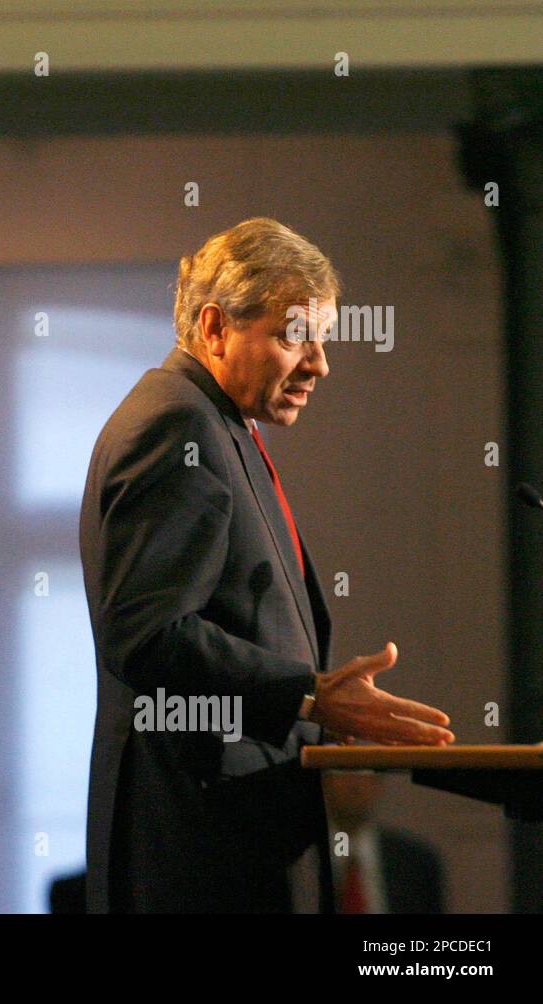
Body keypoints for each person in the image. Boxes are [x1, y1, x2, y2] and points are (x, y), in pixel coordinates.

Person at [79, 217, 454, 913]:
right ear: (217, 328)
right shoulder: (178, 425)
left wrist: (317, 704)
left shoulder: (216, 424)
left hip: (226, 843)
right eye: (296, 336)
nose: (320, 363)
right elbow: (148, 633)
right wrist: (308, 694)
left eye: (324, 340)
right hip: (194, 856)